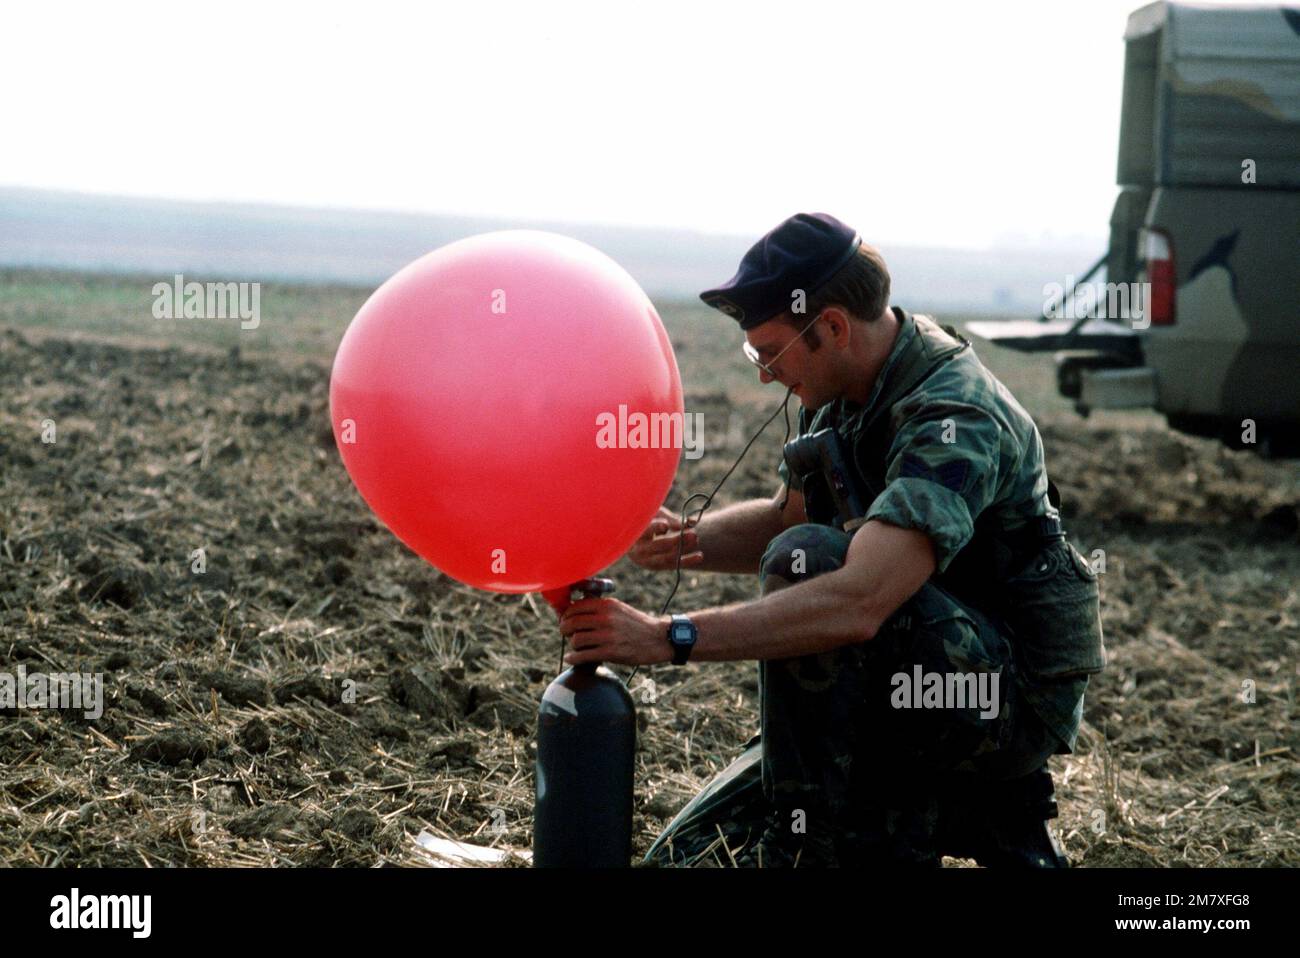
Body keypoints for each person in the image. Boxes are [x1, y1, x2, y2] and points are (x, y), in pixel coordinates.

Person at [557, 212, 1105, 867]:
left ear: (834, 327)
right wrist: (683, 540)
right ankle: (848, 820)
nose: (763, 375)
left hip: (1000, 699)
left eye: (769, 352)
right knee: (686, 856)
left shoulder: (954, 416)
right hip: (903, 664)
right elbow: (785, 515)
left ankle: (822, 845)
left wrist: (668, 637)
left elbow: (858, 598)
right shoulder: (840, 382)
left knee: (808, 561)